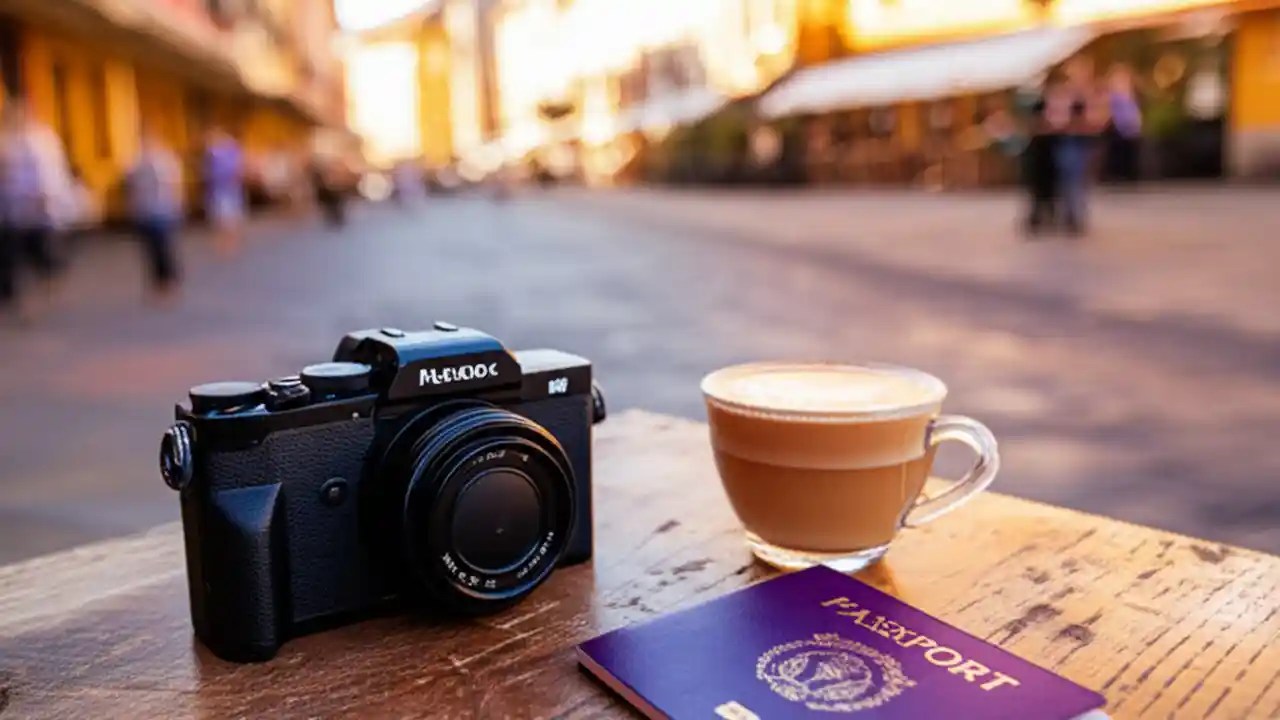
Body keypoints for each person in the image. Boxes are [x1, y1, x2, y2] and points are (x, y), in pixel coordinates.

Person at [0, 99, 70, 321]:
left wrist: (45, 199)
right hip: (12, 212)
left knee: (35, 257)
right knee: (11, 260)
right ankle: (18, 302)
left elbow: (47, 174)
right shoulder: (8, 140)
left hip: (34, 210)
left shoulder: (40, 140)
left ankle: (36, 297)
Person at [1047, 57, 1105, 236]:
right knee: (1068, 178)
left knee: (1080, 179)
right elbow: (1053, 117)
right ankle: (1070, 215)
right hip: (1067, 140)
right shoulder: (1061, 93)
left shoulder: (1091, 93)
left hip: (1085, 141)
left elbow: (1099, 118)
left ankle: (1075, 215)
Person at [128, 125, 183, 302]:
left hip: (161, 210)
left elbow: (173, 183)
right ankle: (158, 283)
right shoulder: (138, 161)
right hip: (146, 211)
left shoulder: (162, 160)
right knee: (151, 251)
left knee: (163, 249)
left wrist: (176, 204)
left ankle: (168, 282)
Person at [203, 127, 245, 256]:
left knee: (227, 217)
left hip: (226, 188)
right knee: (222, 217)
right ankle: (227, 242)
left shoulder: (227, 151)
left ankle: (230, 242)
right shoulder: (214, 153)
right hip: (219, 189)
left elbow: (237, 168)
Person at [1022, 96, 1058, 236]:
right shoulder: (1043, 133)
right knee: (1041, 197)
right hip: (1042, 169)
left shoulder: (1036, 133)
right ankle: (1040, 219)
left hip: (1042, 169)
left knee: (1041, 197)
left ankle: (1040, 219)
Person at [1104, 63, 1143, 183]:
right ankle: (1117, 176)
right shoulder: (1111, 96)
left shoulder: (1132, 95)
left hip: (1131, 131)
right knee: (1117, 155)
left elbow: (1135, 112)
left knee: (1130, 156)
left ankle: (1129, 176)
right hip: (1116, 129)